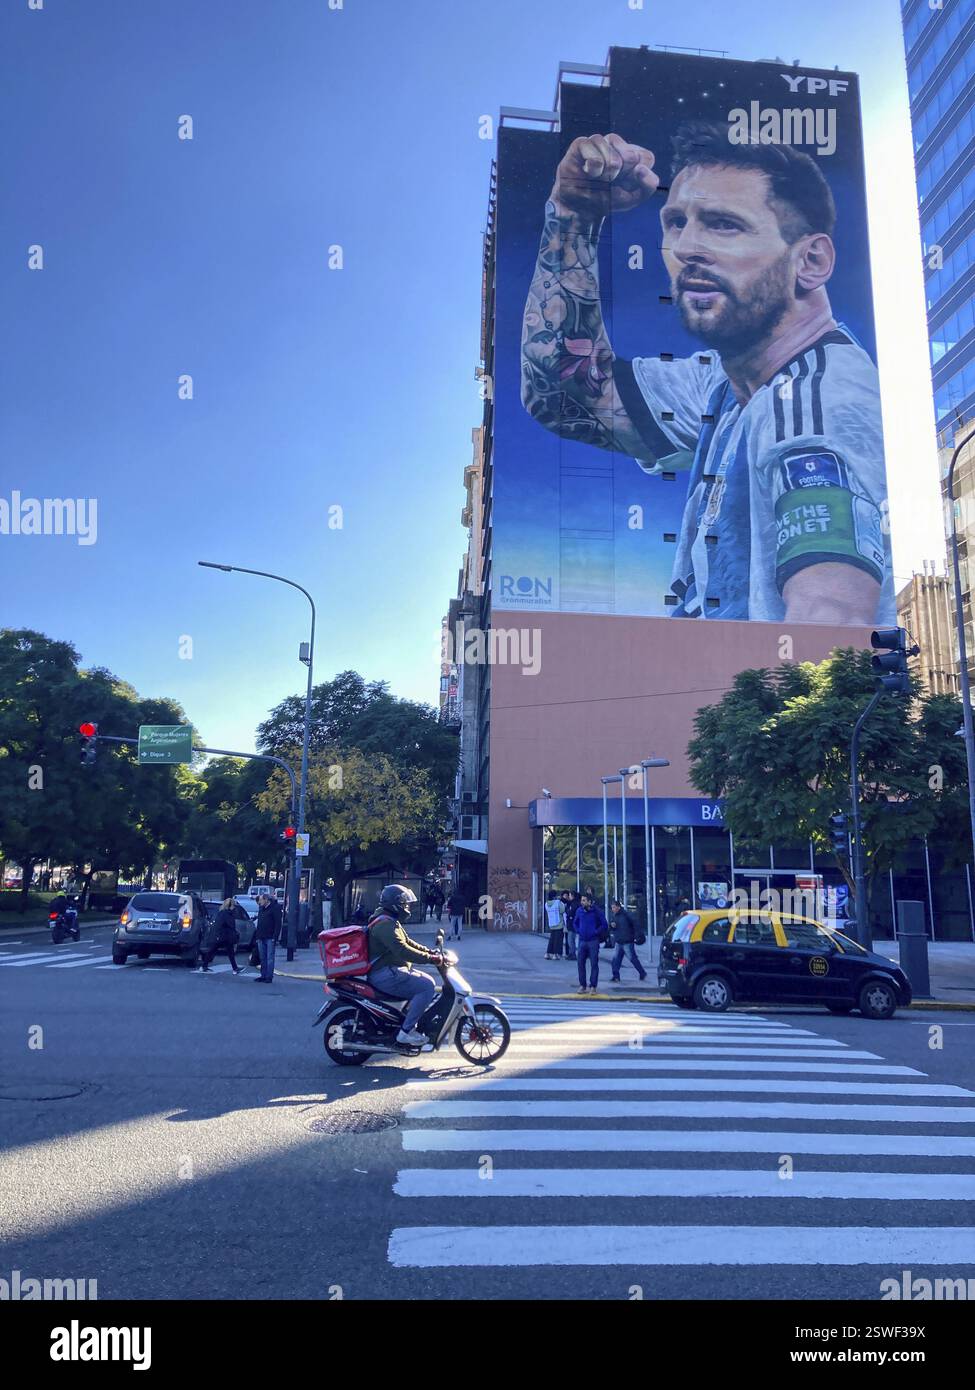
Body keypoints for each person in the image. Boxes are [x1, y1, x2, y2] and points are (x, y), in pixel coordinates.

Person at [522, 121, 892, 626]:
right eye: (676, 222)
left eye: (723, 224)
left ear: (811, 260)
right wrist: (574, 213)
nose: (687, 248)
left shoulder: (814, 403)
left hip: (769, 707)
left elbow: (831, 623)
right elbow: (564, 395)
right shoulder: (726, 383)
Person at [366, 884, 444, 1047]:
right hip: (385, 974)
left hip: (391, 971)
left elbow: (408, 942)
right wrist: (430, 959)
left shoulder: (389, 920)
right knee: (426, 986)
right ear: (394, 904)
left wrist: (431, 952)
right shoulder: (384, 925)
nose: (406, 907)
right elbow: (402, 950)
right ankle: (406, 1031)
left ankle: (406, 1020)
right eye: (404, 903)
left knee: (426, 980)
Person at [572, 893, 608, 994]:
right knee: (580, 963)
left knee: (594, 963)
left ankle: (593, 986)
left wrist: (595, 932)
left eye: (584, 900)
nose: (582, 902)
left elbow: (604, 924)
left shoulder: (596, 911)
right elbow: (575, 923)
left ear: (589, 901)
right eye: (581, 900)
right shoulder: (579, 911)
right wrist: (578, 930)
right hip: (582, 940)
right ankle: (582, 985)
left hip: (593, 941)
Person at [609, 898, 648, 984]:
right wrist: (612, 926)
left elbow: (635, 924)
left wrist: (636, 935)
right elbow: (612, 926)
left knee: (632, 958)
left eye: (614, 907)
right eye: (612, 907)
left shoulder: (626, 915)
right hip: (619, 941)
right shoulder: (614, 916)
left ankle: (642, 972)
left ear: (618, 907)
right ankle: (616, 976)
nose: (613, 909)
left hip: (627, 941)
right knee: (616, 959)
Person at [200, 898, 242, 975]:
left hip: (223, 935)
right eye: (233, 905)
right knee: (217, 951)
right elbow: (228, 925)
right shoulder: (226, 914)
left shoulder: (223, 913)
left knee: (217, 951)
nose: (234, 907)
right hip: (223, 935)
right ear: (230, 905)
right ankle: (235, 968)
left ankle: (204, 965)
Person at [254, 893, 278, 983]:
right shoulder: (261, 909)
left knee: (269, 958)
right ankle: (263, 975)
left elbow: (277, 923)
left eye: (261, 900)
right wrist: (257, 936)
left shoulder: (274, 908)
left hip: (270, 937)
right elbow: (259, 923)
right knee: (263, 957)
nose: (259, 902)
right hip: (261, 936)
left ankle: (269, 976)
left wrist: (275, 937)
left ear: (266, 900)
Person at [544, 891, 565, 959]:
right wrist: (560, 902)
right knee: (557, 940)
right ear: (554, 896)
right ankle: (555, 954)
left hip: (551, 923)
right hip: (559, 923)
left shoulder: (546, 904)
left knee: (552, 939)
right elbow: (562, 910)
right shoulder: (557, 902)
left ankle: (548, 953)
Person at [563, 890, 581, 960]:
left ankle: (572, 954)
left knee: (570, 940)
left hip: (572, 924)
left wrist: (568, 913)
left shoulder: (574, 904)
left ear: (572, 896)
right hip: (571, 924)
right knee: (570, 940)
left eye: (570, 895)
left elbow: (570, 912)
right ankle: (571, 953)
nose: (569, 897)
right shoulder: (572, 903)